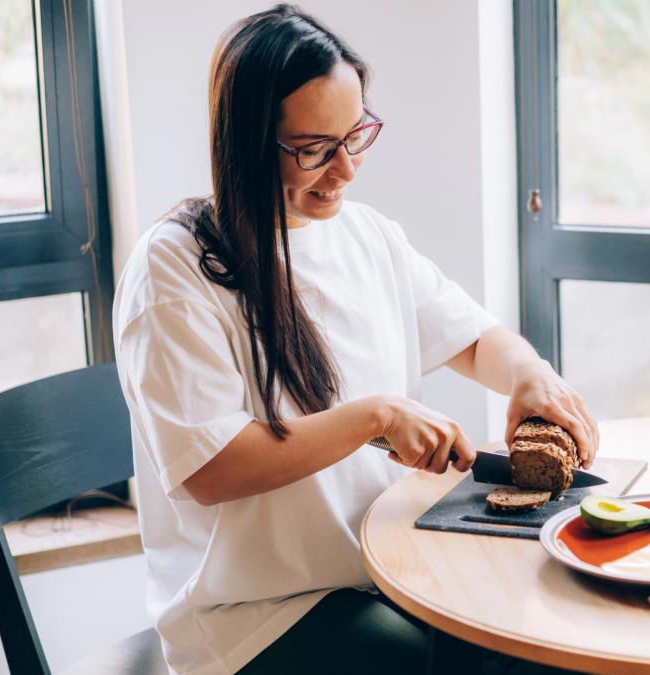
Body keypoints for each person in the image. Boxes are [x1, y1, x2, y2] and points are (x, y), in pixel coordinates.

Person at [112, 5, 598, 674]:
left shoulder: (366, 235)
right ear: (247, 141)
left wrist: (527, 371)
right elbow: (212, 469)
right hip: (260, 614)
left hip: (385, 568)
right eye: (314, 149)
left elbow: (472, 337)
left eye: (356, 136)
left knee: (544, 630)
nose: (346, 169)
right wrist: (377, 415)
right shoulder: (174, 269)